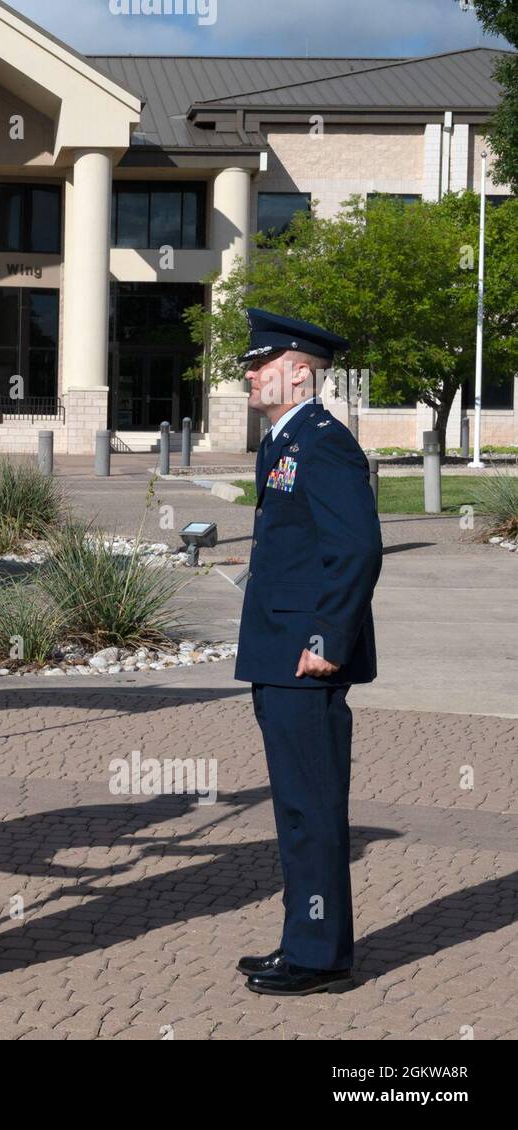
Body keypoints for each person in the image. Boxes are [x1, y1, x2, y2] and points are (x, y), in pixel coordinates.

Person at [233, 307, 382, 996]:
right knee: (295, 805)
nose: (248, 374)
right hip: (278, 652)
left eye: (259, 364)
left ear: (297, 371)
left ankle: (320, 957)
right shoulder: (282, 442)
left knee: (313, 807)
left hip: (306, 656)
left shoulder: (323, 441)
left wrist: (325, 640)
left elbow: (355, 548)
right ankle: (304, 940)